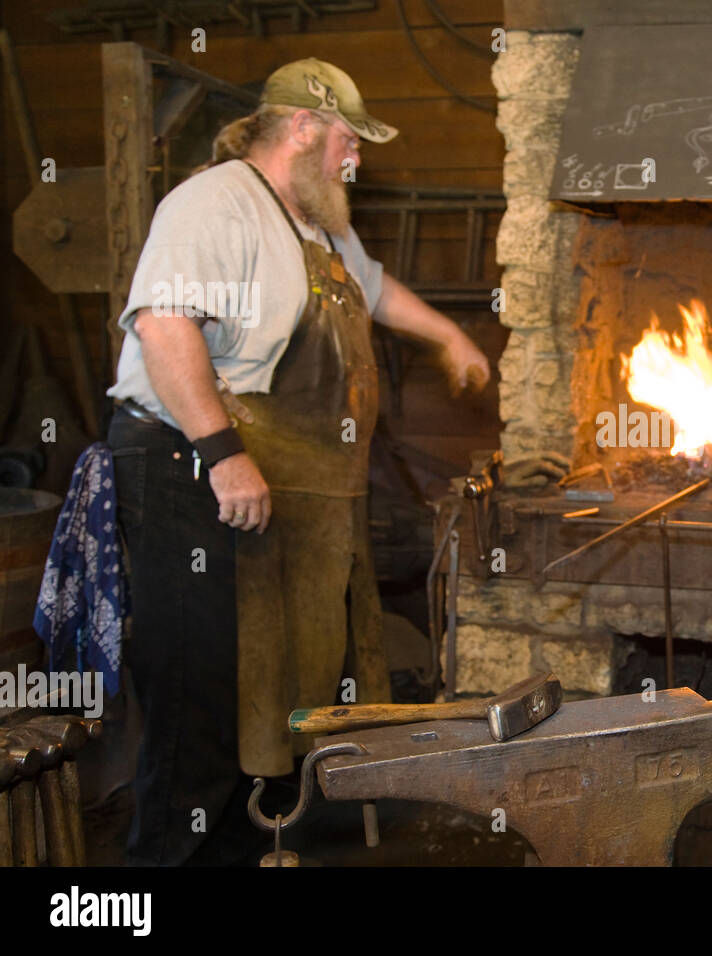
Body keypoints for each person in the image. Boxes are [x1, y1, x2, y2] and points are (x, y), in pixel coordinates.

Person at [105, 58, 489, 865]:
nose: (358, 157)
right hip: (189, 466)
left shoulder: (321, 223)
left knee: (267, 686)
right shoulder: (213, 205)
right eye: (350, 139)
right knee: (200, 689)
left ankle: (248, 845)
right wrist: (224, 454)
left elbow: (374, 290)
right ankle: (163, 865)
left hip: (271, 480)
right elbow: (164, 328)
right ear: (305, 126)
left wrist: (449, 334)